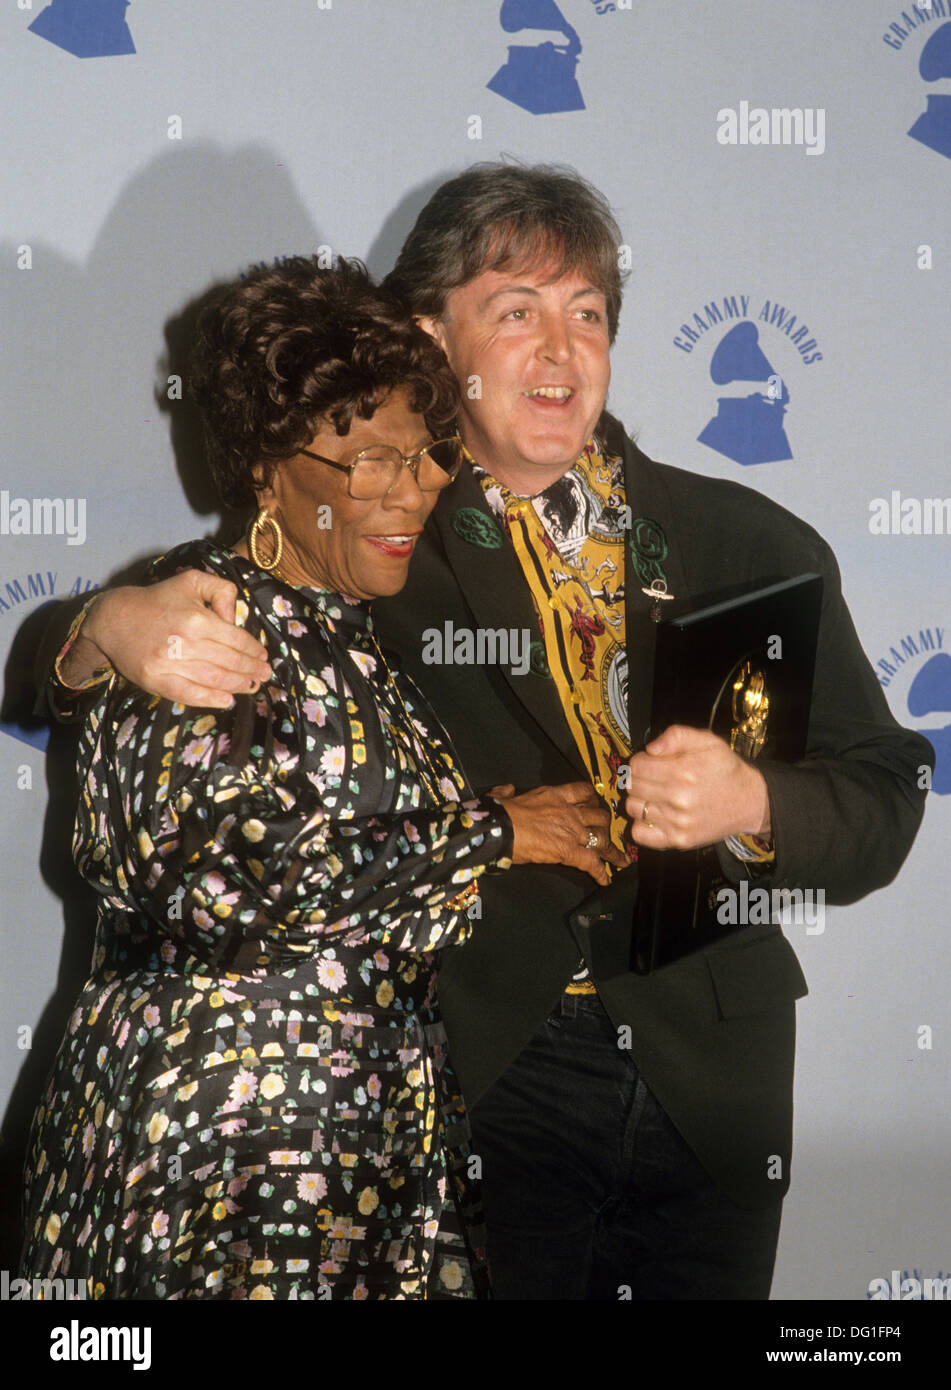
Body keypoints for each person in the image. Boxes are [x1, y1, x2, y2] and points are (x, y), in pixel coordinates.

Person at [35, 165, 933, 1300]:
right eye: (517, 311)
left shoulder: (751, 540)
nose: (562, 351)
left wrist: (756, 806)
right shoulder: (376, 531)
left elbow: (886, 791)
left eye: (588, 313)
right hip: (477, 1075)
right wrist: (100, 622)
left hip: (714, 1086)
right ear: (427, 337)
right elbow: (216, 622)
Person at [19, 254, 623, 1301]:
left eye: (427, 453)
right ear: (265, 467)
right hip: (224, 1159)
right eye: (372, 461)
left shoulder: (355, 636)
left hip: (368, 1151)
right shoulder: (195, 620)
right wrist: (494, 833)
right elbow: (228, 882)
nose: (420, 484)